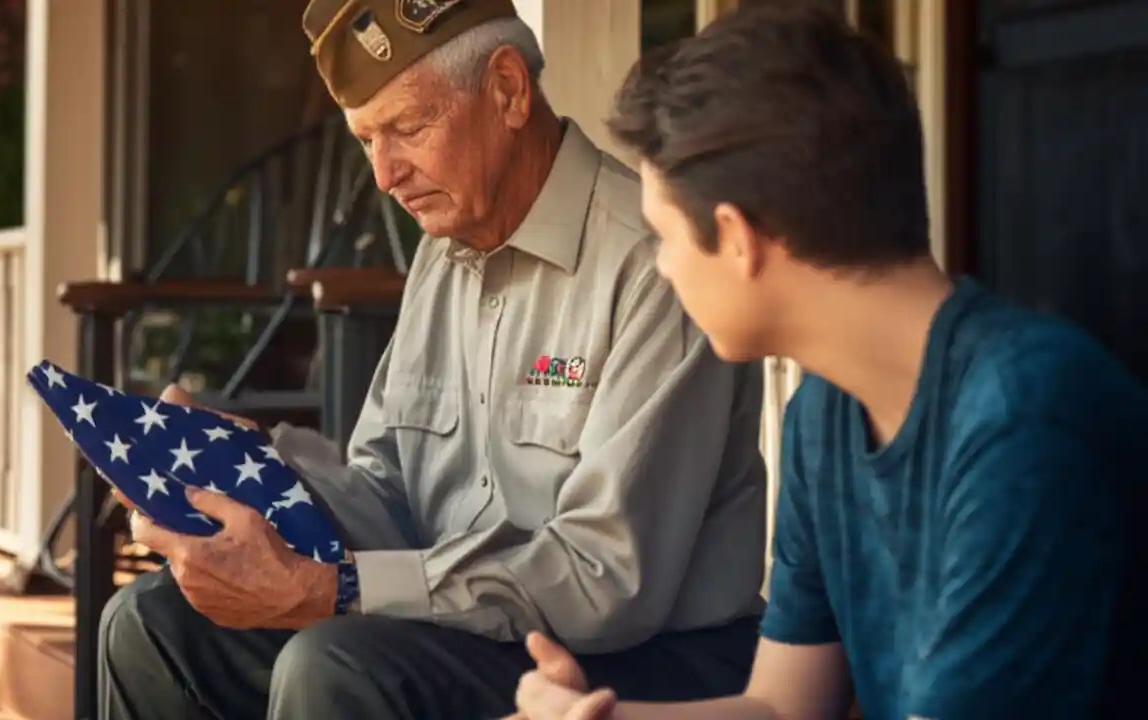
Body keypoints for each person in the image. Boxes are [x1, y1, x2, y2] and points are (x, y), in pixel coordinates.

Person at [97, 1, 771, 718]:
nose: (385, 174)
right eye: (366, 141)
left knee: (333, 664)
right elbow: (390, 492)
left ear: (508, 90)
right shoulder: (445, 250)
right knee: (151, 624)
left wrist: (338, 591)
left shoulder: (652, 259)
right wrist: (254, 470)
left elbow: (605, 578)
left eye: (408, 128)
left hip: (648, 654)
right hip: (467, 625)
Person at [509, 4, 1147, 720]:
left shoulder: (1028, 419)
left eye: (661, 235)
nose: (661, 268)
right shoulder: (824, 414)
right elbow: (784, 709)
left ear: (737, 238)